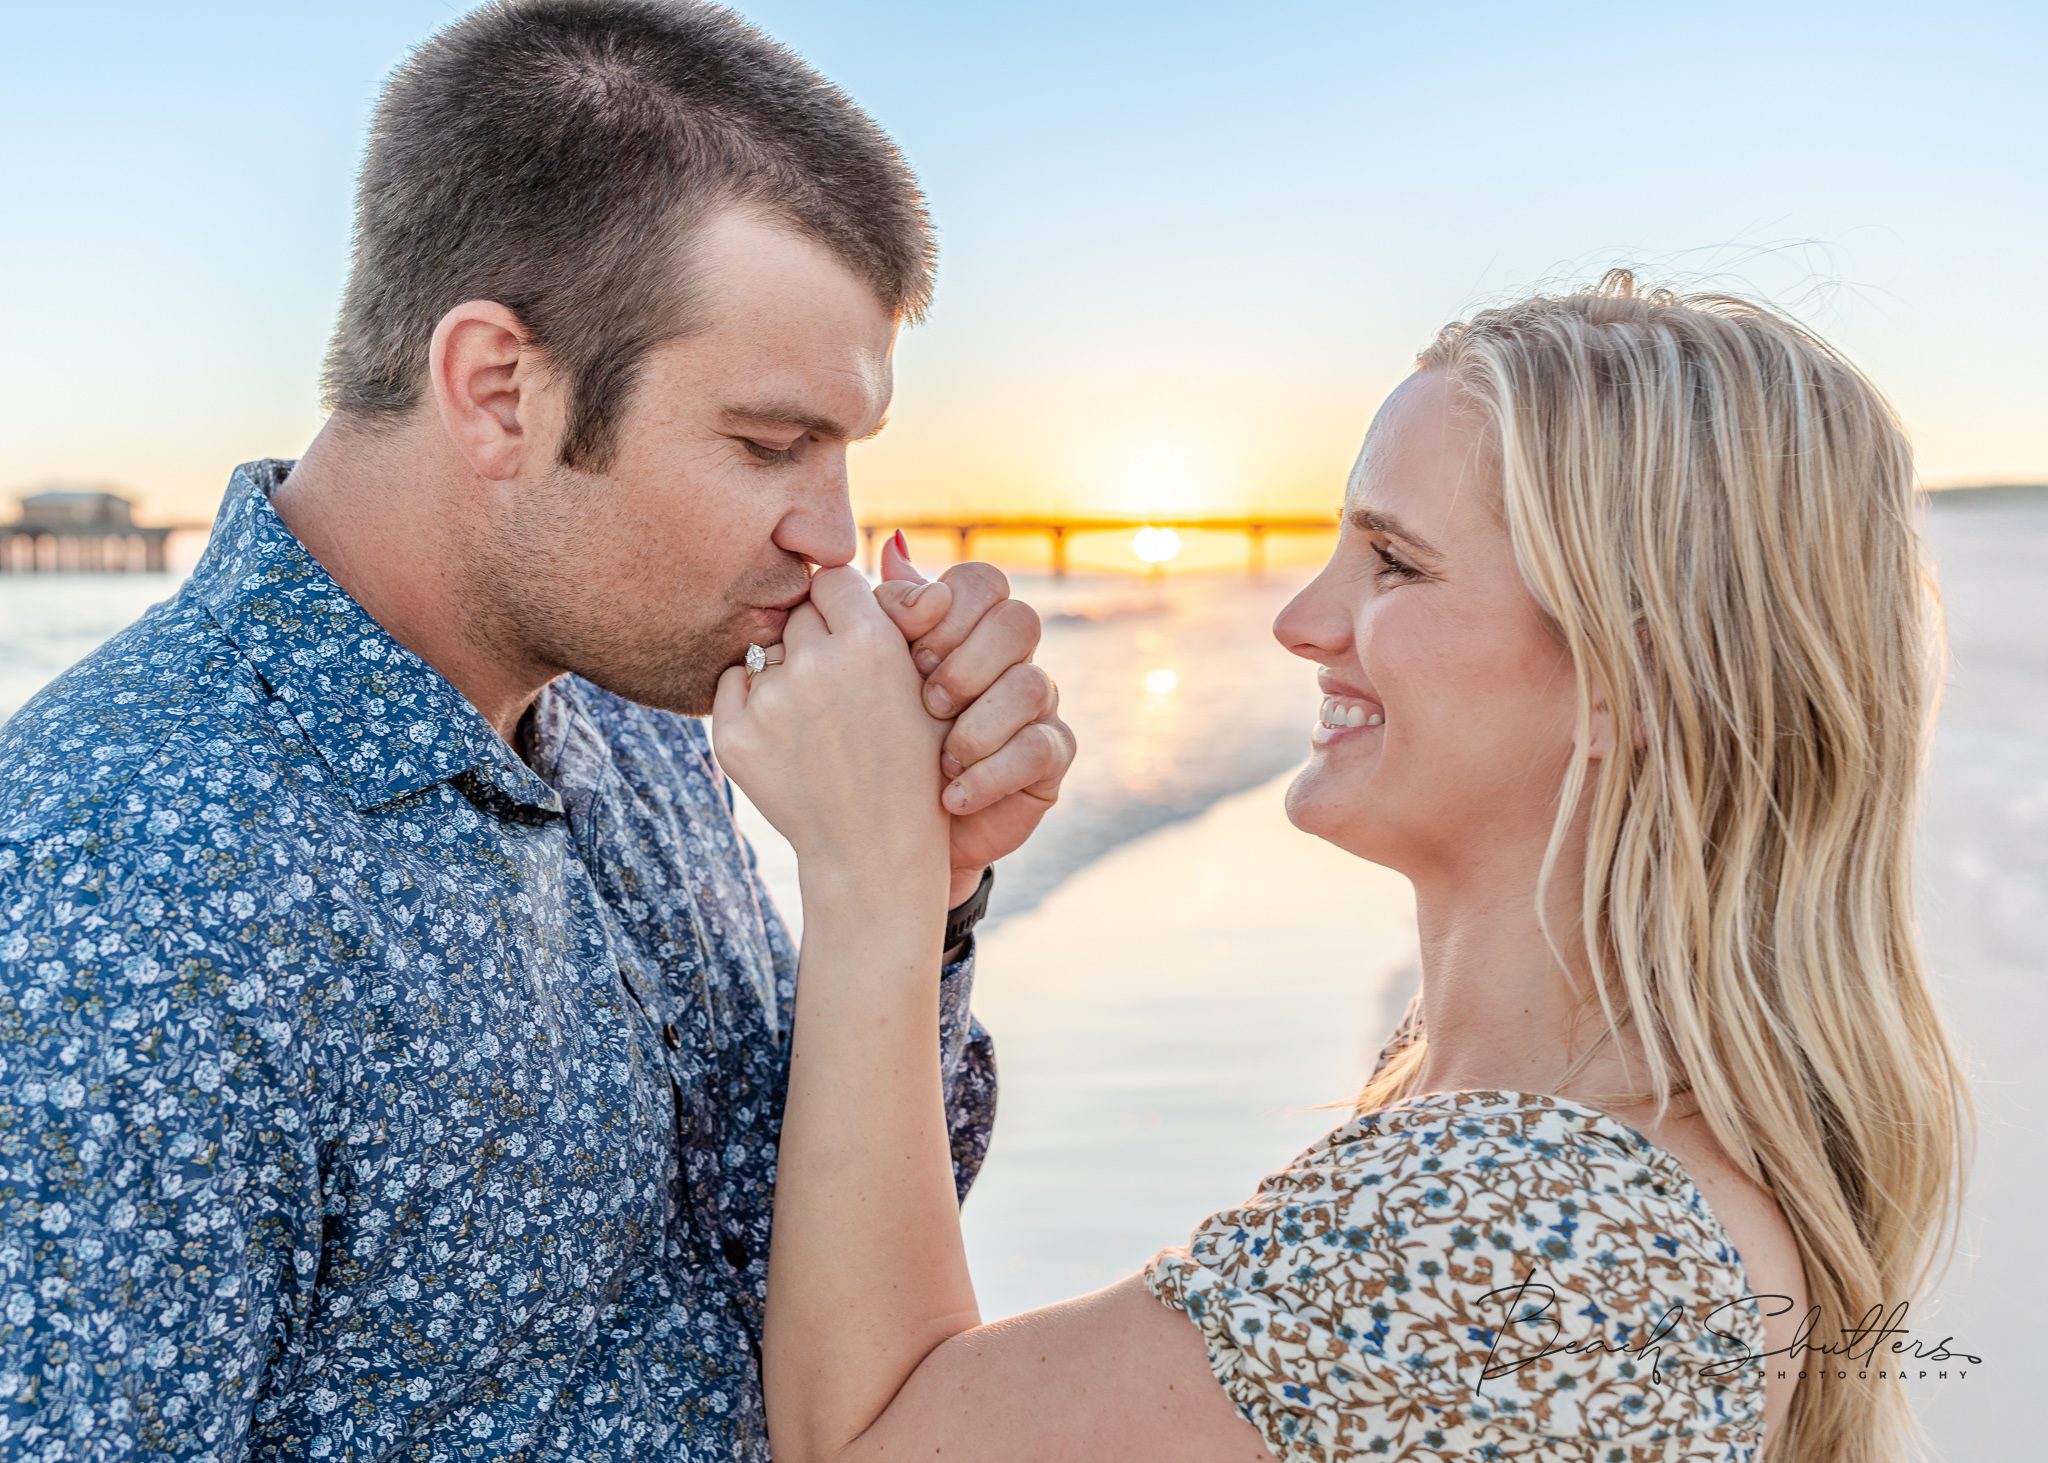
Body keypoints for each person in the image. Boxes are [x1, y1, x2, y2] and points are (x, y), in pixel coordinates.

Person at [0, 3, 1075, 1458]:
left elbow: (826, 1263)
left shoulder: (634, 708)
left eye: (845, 452)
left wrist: (919, 891)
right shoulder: (112, 890)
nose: (834, 537)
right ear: (499, 388)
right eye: (768, 445)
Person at [714, 272, 1976, 1462]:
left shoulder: (1529, 1223)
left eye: (1395, 562)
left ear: (1632, 677)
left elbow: (866, 1440)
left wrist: (868, 876)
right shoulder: (1579, 1152)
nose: (1298, 620)